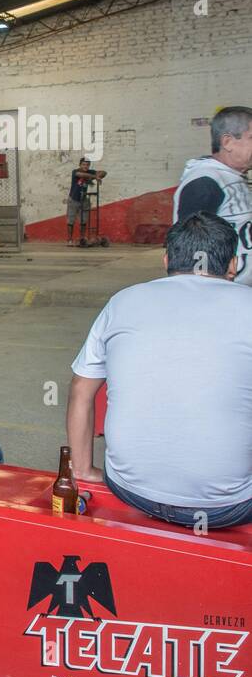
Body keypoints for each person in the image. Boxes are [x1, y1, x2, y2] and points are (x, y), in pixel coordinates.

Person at [66, 212, 252, 528]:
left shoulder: (123, 301)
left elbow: (81, 391)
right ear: (233, 264)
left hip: (130, 489)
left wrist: (82, 471)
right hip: (228, 506)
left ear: (166, 260)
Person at [174, 105, 252, 285]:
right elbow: (190, 249)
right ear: (227, 142)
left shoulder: (232, 177)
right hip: (222, 298)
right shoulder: (205, 182)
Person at [66, 157, 105, 246]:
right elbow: (81, 175)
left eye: (87, 165)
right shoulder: (75, 171)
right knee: (70, 220)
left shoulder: (90, 172)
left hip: (83, 199)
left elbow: (104, 172)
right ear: (80, 165)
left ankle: (82, 238)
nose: (85, 166)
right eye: (83, 164)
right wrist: (95, 177)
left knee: (83, 220)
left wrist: (99, 175)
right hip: (73, 199)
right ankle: (69, 239)